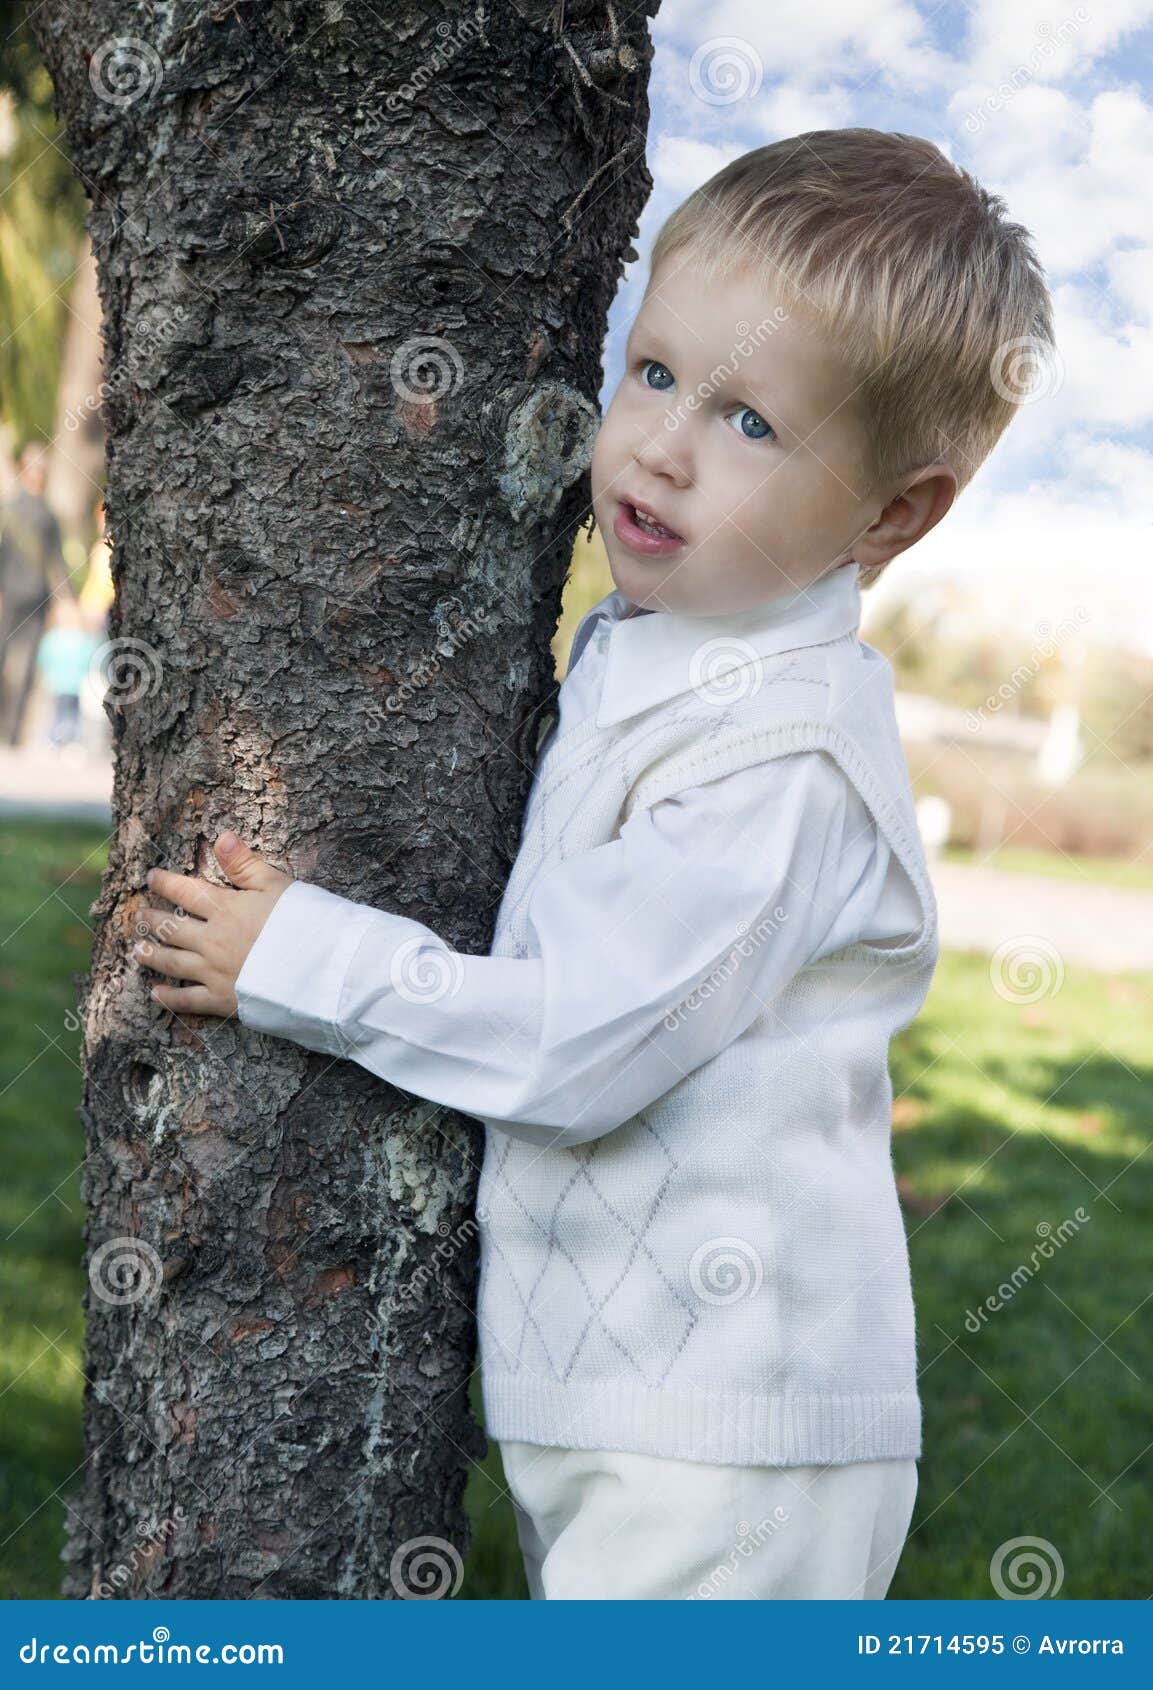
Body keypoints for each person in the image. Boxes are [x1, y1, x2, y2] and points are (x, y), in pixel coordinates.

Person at [129, 130, 1055, 1600]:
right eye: (658, 373)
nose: (664, 445)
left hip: (737, 1442)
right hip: (638, 1404)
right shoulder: (661, 657)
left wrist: (296, 958)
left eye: (755, 425)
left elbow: (583, 1033)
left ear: (892, 513)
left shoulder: (785, 762)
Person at [0, 442, 73, 745]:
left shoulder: (48, 514)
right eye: (34, 467)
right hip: (7, 596)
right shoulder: (8, 510)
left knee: (29, 667)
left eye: (42, 468)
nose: (38, 474)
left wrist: (65, 599)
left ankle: (13, 733)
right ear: (23, 470)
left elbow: (56, 559)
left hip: (37, 599)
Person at [35, 595, 100, 751]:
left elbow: (43, 658)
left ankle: (54, 740)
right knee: (72, 714)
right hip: (75, 685)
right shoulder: (85, 640)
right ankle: (70, 741)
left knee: (57, 712)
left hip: (56, 683)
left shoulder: (52, 638)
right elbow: (91, 660)